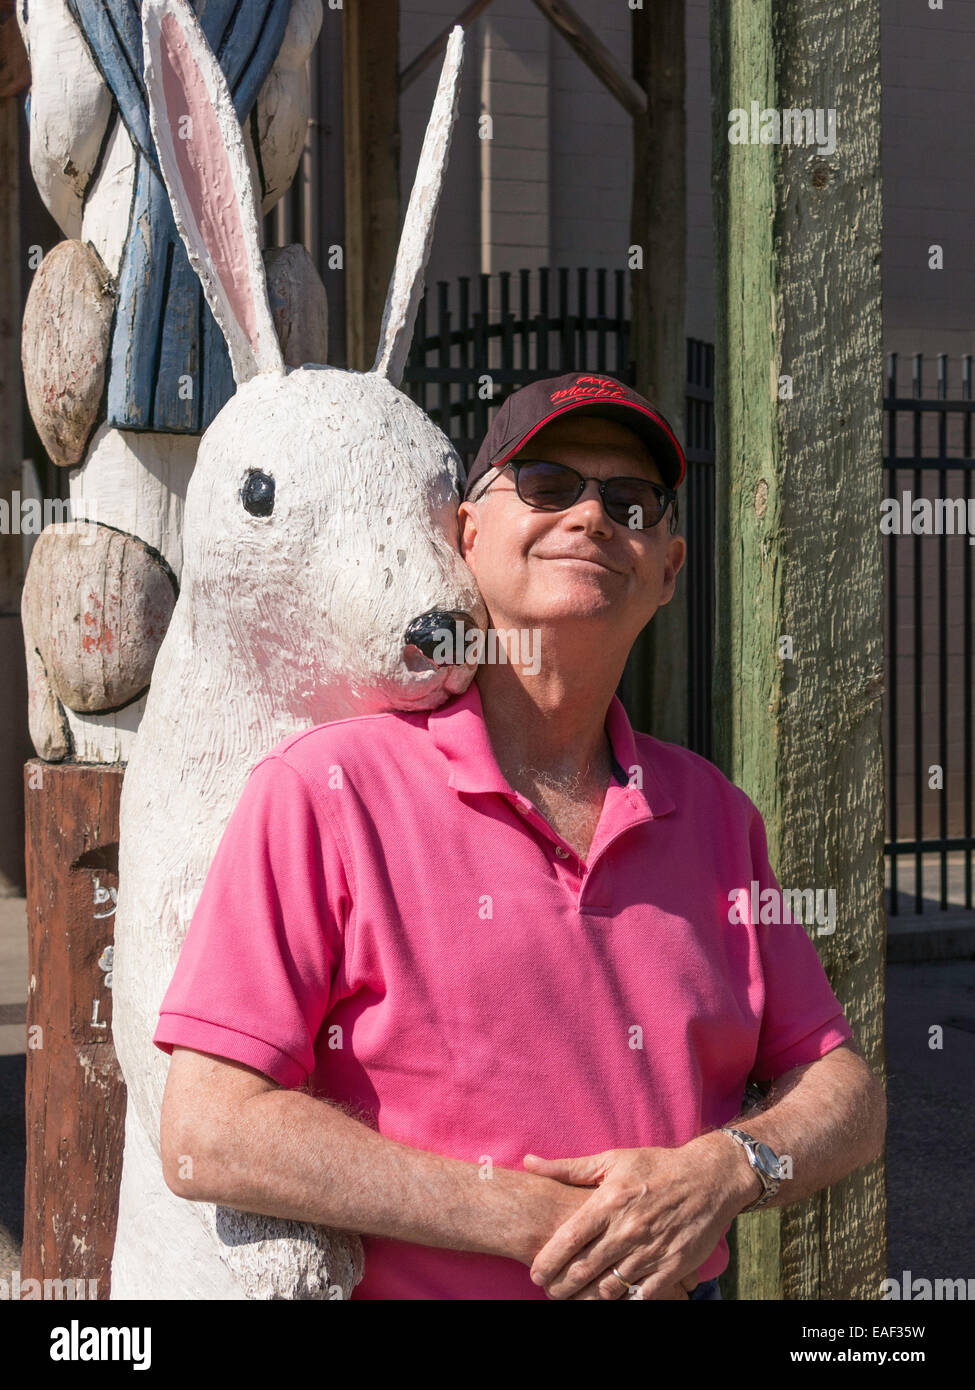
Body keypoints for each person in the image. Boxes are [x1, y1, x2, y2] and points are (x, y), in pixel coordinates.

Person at [153, 370, 886, 1301]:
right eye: (544, 484)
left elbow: (846, 1096)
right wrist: (519, 1216)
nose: (589, 518)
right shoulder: (325, 793)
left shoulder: (716, 817)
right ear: (466, 534)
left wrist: (727, 1168)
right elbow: (207, 1130)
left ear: (668, 568)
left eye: (631, 503)